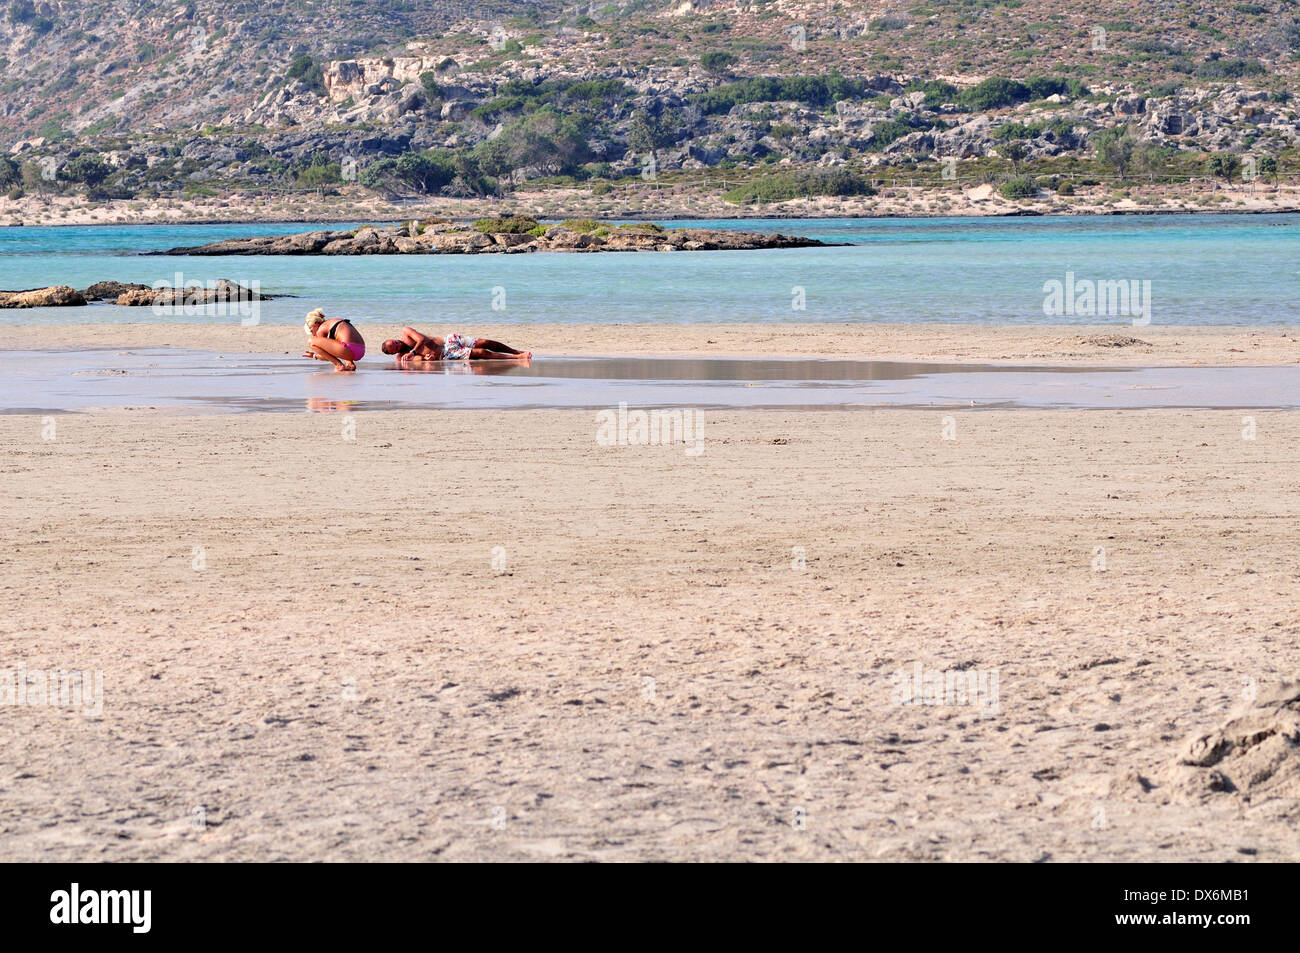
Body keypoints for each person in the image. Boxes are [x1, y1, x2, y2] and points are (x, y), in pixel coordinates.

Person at [381, 327, 531, 362]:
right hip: (446, 353)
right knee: (482, 352)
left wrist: (413, 352)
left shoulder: (406, 333)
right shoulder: (401, 357)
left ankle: (515, 351)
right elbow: (419, 361)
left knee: (485, 342)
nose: (398, 343)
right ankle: (516, 358)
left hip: (448, 341)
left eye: (395, 341)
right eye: (396, 346)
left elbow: (422, 340)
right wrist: (425, 359)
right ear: (395, 351)